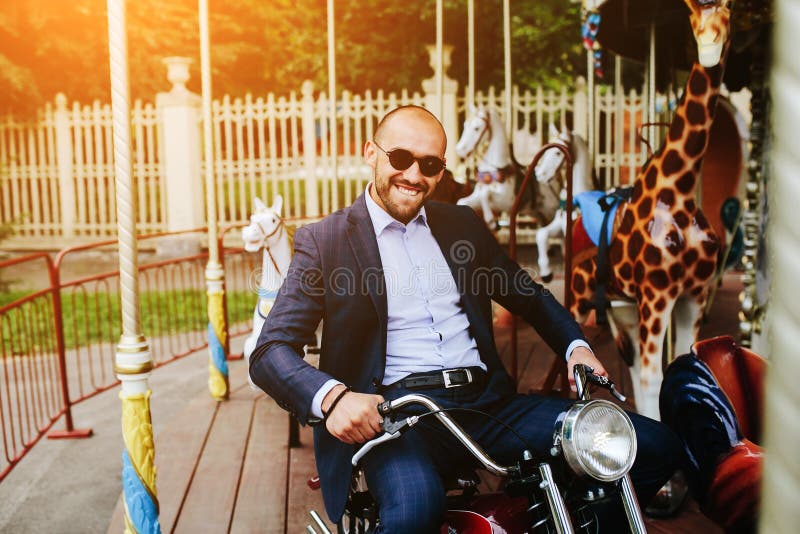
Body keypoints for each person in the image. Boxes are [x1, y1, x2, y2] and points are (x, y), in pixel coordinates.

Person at [249, 105, 683, 532]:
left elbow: (528, 295)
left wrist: (578, 347)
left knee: (648, 447)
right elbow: (271, 350)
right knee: (416, 506)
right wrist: (333, 399)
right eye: (400, 158)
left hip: (487, 404)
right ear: (371, 152)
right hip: (395, 418)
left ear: (442, 170)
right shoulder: (325, 241)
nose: (414, 175)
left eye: (431, 164)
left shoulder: (461, 224)